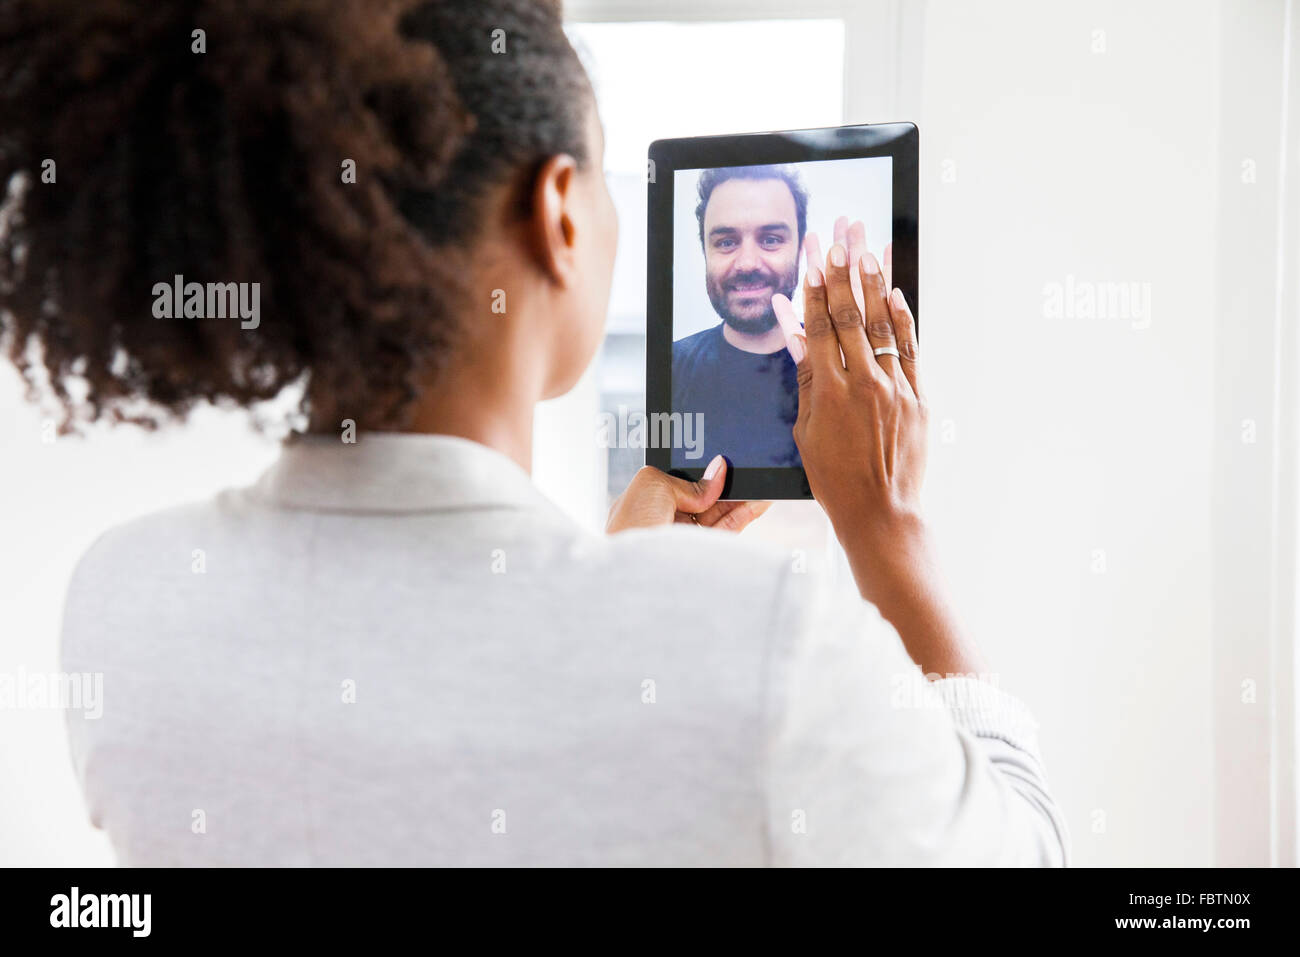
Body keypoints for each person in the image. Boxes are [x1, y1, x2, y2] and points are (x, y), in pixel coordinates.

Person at [0, 0, 1068, 865]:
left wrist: (629, 586)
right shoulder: (770, 636)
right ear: (558, 210)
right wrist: (888, 532)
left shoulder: (125, 597)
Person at [671, 166, 806, 468]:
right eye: (726, 242)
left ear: (799, 251)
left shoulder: (846, 368)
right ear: (706, 253)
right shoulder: (671, 368)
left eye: (771, 239)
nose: (747, 263)